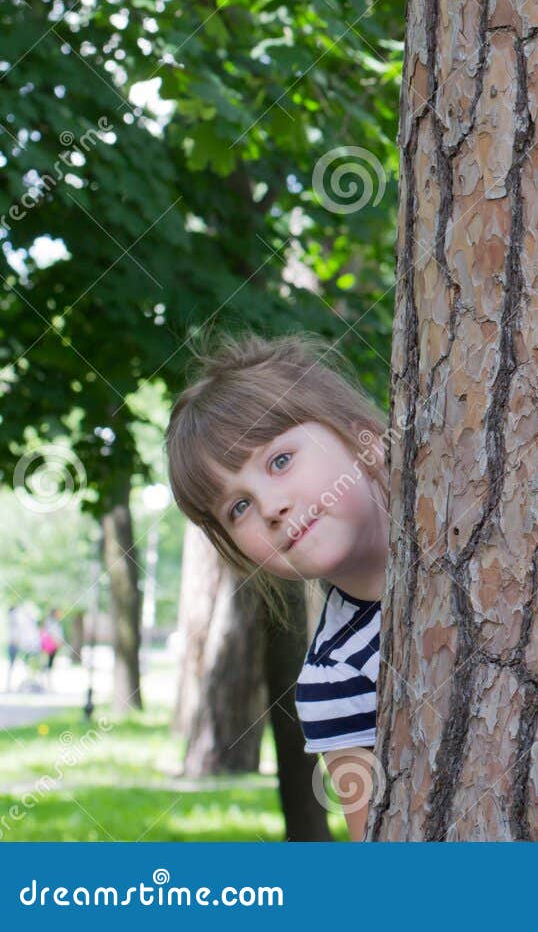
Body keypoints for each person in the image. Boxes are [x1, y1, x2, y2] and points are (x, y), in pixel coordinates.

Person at [166, 333, 388, 840]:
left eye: (280, 460)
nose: (270, 507)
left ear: (364, 440)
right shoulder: (336, 679)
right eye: (238, 507)